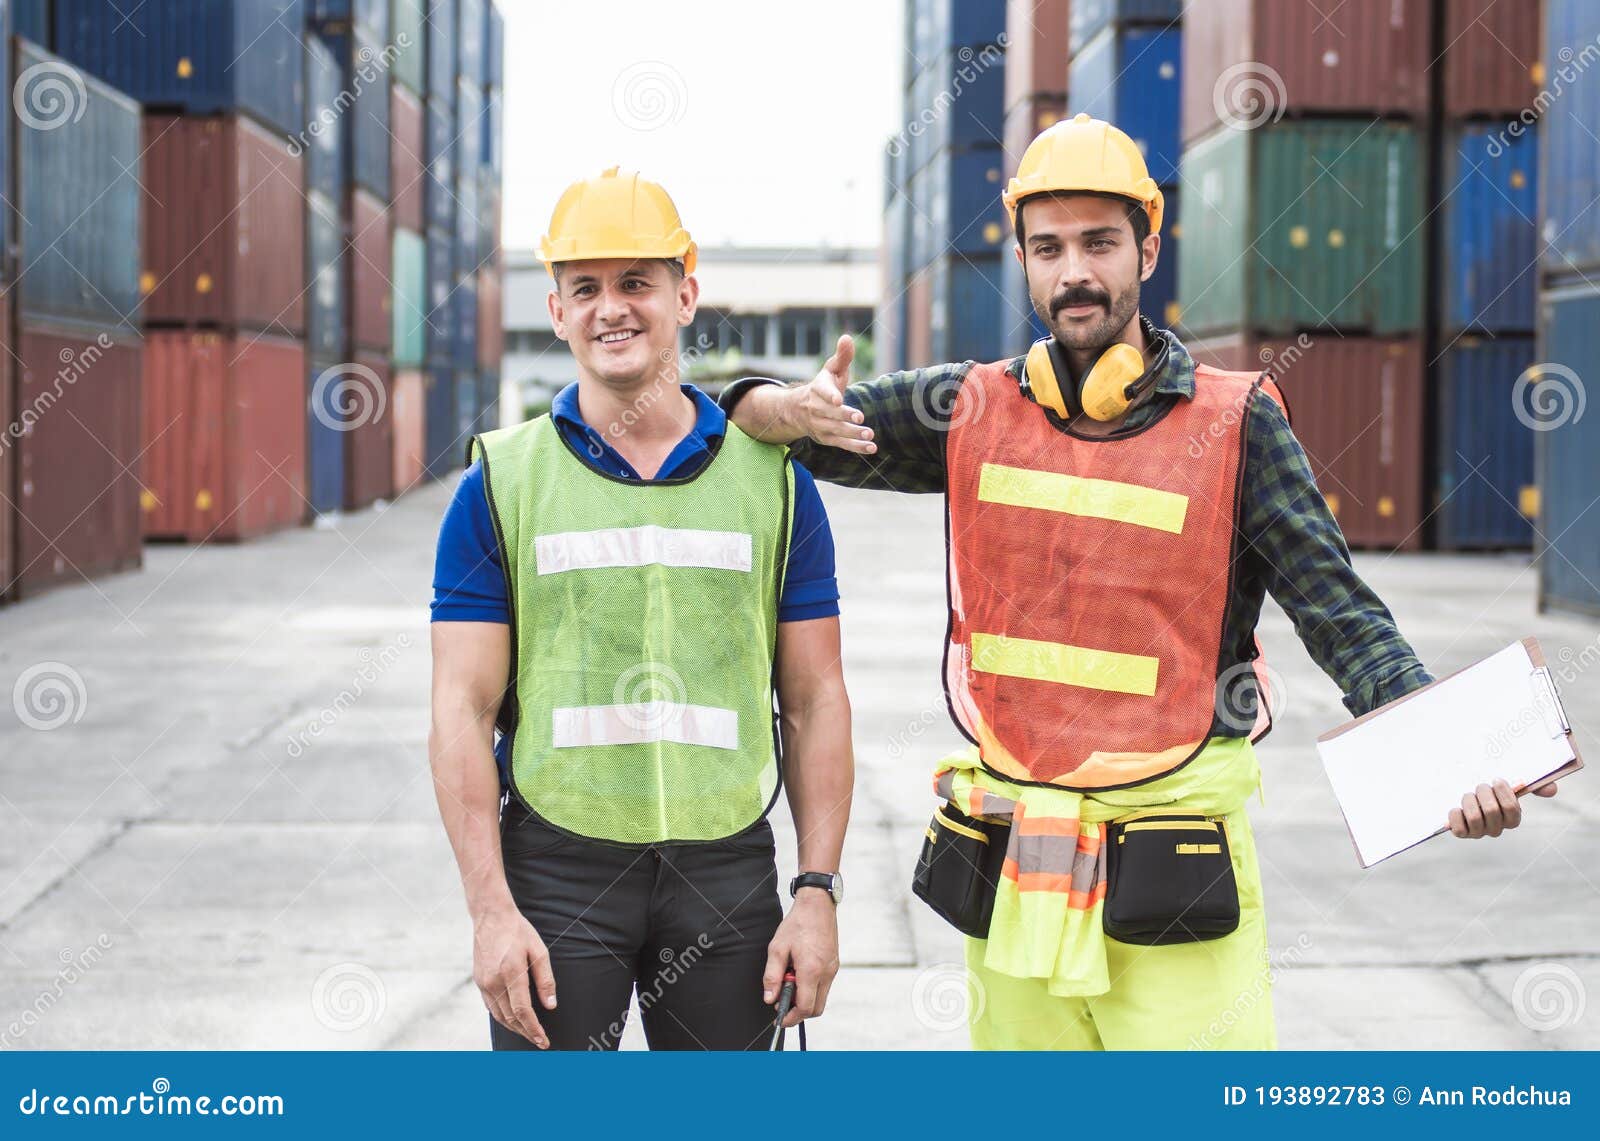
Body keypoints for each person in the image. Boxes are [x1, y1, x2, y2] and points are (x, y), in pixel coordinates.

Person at [720, 114, 1556, 1051]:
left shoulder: (1237, 423)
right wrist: (779, 404)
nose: (1074, 270)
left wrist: (1448, 751)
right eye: (1049, 247)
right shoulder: (966, 406)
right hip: (1017, 878)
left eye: (1099, 243)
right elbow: (760, 418)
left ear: (1147, 250)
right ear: (1025, 262)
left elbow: (1341, 613)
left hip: (1171, 878)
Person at [429, 167, 853, 1051]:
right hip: (556, 872)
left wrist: (817, 892)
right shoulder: (499, 484)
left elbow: (815, 700)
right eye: (584, 287)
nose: (610, 308)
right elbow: (459, 710)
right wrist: (489, 910)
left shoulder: (776, 486)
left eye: (636, 283)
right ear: (555, 310)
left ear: (685, 294)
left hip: (727, 874)